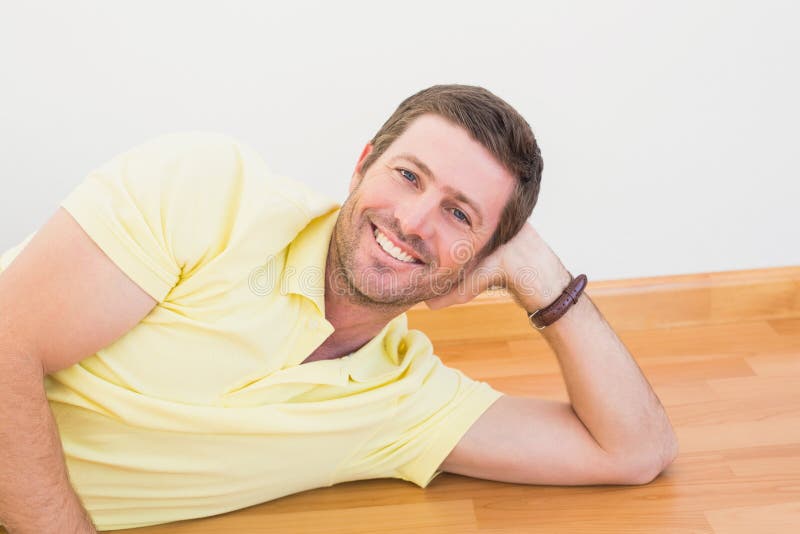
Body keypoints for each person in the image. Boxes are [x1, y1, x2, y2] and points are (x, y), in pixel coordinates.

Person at [0, 85, 678, 533]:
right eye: (407, 176)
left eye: (457, 213)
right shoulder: (210, 192)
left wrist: (542, 274)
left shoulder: (402, 403)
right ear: (361, 167)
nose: (412, 220)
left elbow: (635, 449)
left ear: (479, 256)